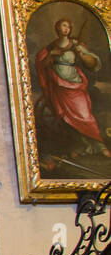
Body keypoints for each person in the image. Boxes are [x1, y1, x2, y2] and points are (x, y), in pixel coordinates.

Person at [35, 17, 107, 160]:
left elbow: (93, 63)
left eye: (68, 26)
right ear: (57, 29)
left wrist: (81, 54)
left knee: (85, 116)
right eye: (63, 26)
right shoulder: (51, 47)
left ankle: (99, 146)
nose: (66, 29)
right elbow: (41, 65)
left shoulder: (75, 44)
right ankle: (78, 148)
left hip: (75, 85)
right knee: (65, 118)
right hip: (58, 87)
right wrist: (51, 55)